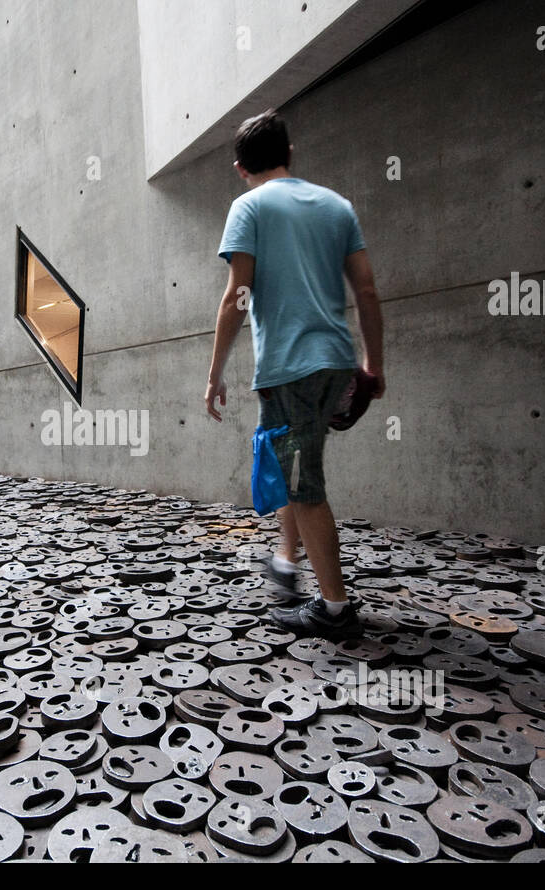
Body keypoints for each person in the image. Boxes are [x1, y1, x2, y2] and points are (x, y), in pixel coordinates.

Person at [206, 109, 385, 640]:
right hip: (335, 360)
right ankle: (287, 562)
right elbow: (368, 292)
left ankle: (334, 609)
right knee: (291, 469)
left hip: (289, 369)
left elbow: (238, 295)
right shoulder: (337, 206)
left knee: (304, 485)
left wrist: (214, 371)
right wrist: (373, 364)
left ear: (241, 168)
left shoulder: (249, 206)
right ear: (290, 153)